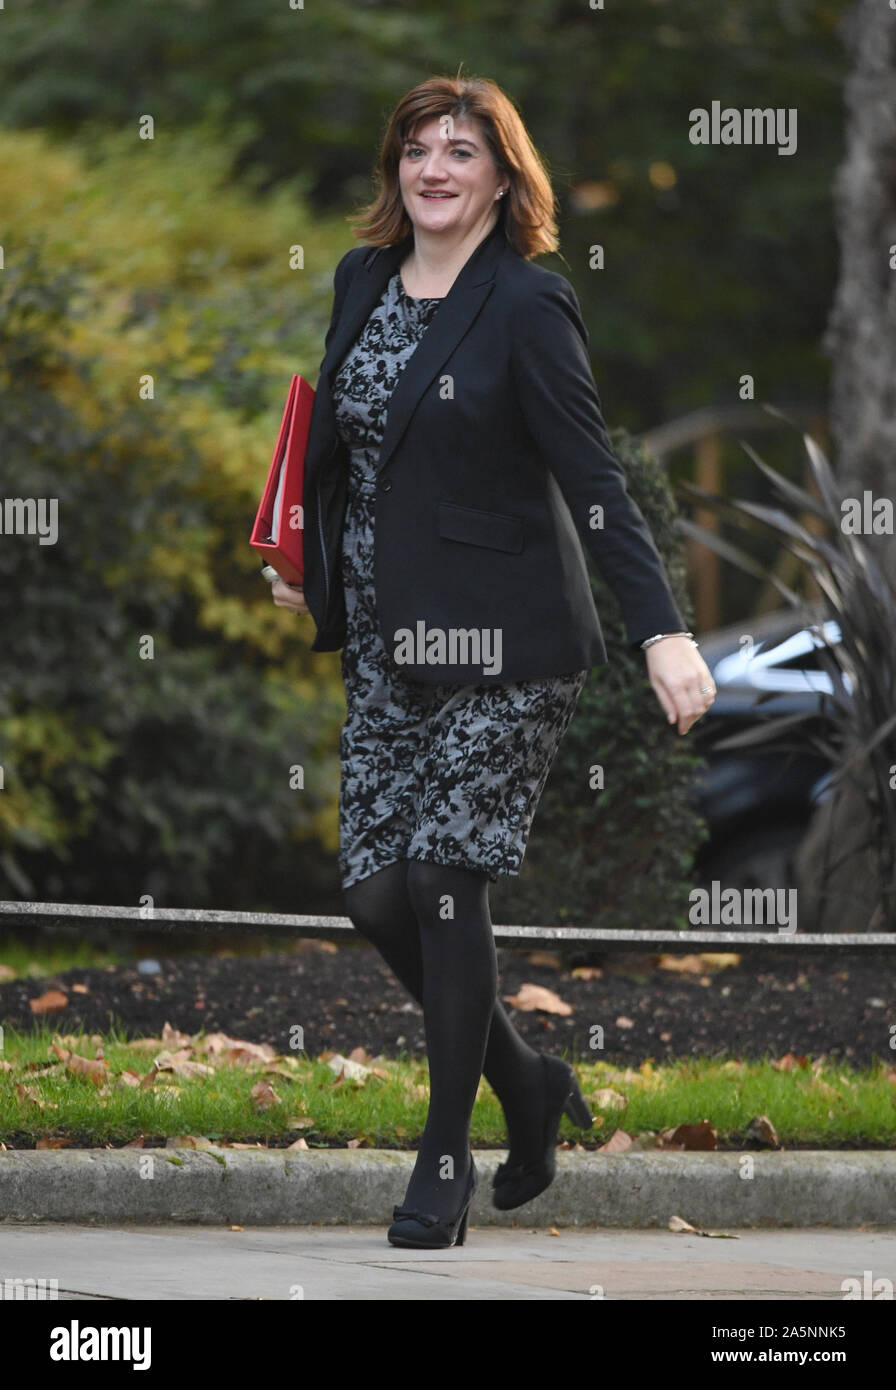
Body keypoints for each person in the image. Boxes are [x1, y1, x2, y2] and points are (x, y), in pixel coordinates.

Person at [270, 74, 716, 1249]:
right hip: (383, 642)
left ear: (502, 178)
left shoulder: (528, 303)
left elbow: (593, 480)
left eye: (458, 151)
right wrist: (306, 561)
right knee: (374, 893)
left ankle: (443, 1155)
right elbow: (346, 453)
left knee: (442, 877)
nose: (432, 168)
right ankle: (525, 1081)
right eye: (415, 148)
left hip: (507, 642)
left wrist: (661, 633)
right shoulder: (361, 279)